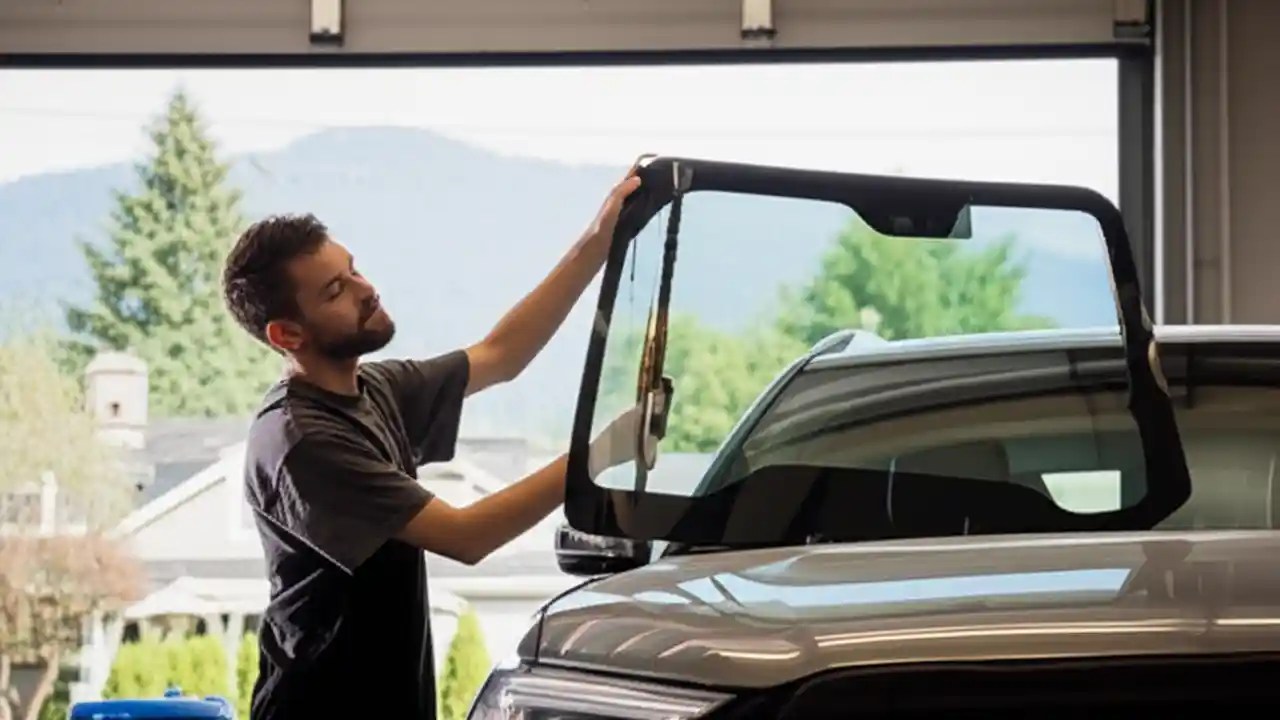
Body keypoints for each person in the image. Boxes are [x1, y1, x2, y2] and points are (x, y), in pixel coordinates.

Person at [220, 167, 646, 719]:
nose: (366, 290)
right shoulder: (302, 442)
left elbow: (501, 354)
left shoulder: (376, 388)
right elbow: (468, 536)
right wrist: (597, 454)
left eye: (352, 271)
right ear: (287, 334)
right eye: (335, 291)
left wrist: (600, 239)